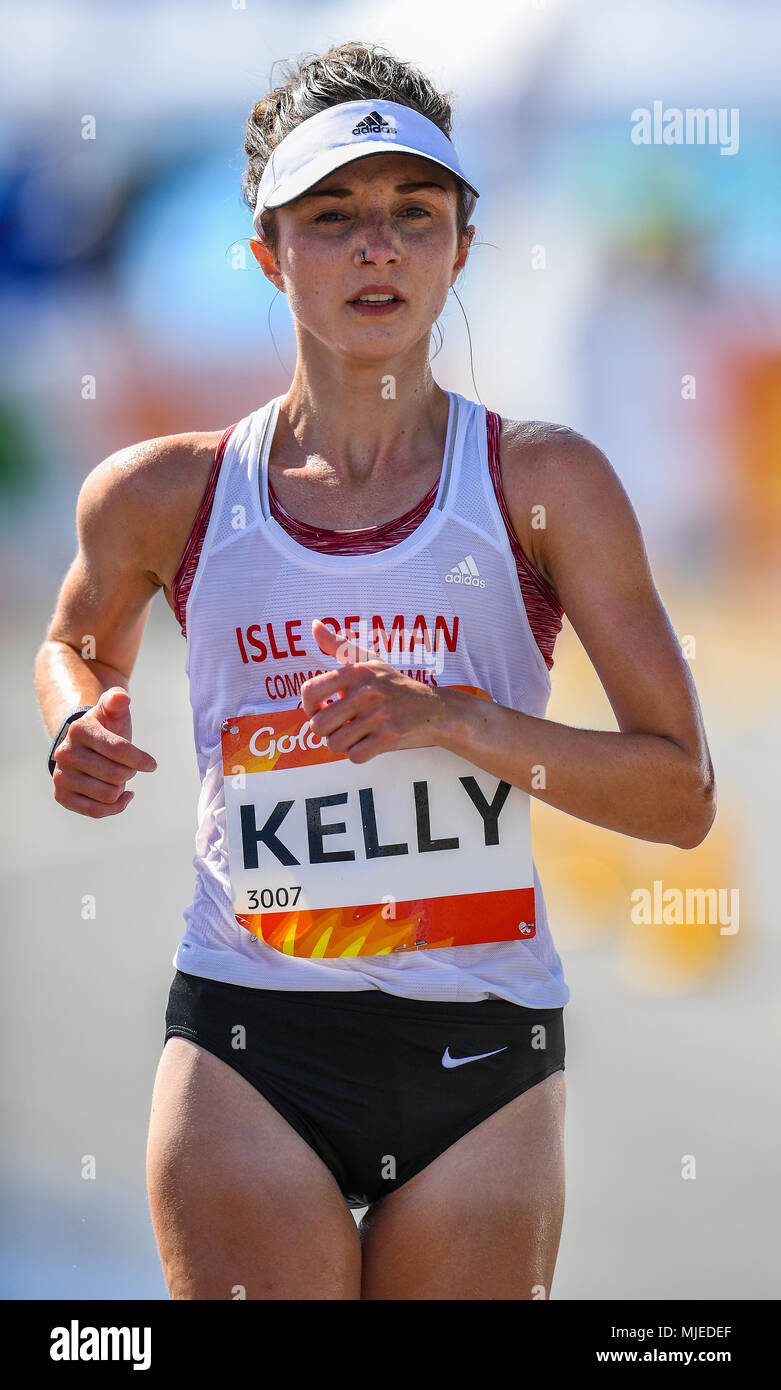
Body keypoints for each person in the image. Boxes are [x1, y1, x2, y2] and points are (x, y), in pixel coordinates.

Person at [34, 41, 716, 1301]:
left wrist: (459, 719)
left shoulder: (544, 485)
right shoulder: (163, 494)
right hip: (250, 1036)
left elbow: (680, 798)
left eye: (415, 214)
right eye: (333, 217)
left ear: (462, 246)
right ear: (264, 253)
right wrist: (77, 720)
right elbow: (72, 646)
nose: (377, 248)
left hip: (481, 1051)